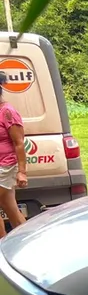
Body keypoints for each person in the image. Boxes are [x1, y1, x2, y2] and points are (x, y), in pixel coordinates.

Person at [0, 76, 27, 229]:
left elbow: (19, 143)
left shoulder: (7, 112)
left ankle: (2, 245)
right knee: (10, 208)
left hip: (6, 165)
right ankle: (27, 240)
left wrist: (22, 172)